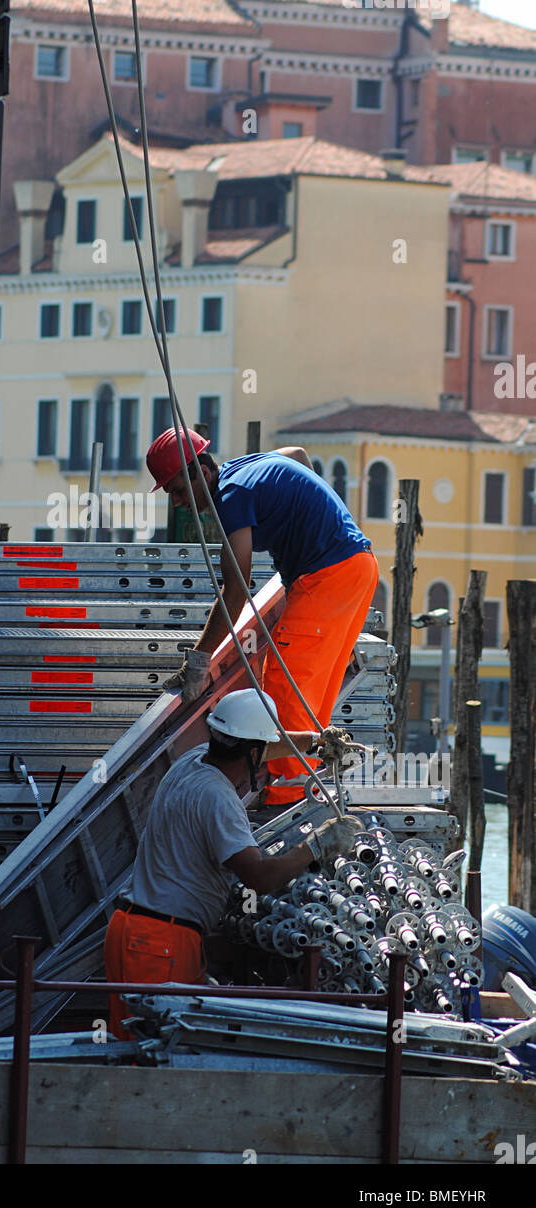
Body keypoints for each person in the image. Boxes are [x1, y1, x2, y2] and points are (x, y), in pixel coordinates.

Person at [104, 689, 363, 1039]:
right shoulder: (218, 796)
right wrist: (317, 845)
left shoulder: (194, 761)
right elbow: (258, 877)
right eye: (261, 754)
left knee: (128, 1049)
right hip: (161, 941)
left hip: (131, 930)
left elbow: (256, 746)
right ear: (251, 753)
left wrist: (315, 743)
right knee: (157, 1059)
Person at [146, 428, 379, 807]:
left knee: (284, 693)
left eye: (177, 490)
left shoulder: (232, 497)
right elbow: (300, 455)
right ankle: (308, 792)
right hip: (358, 568)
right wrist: (314, 521)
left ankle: (285, 802)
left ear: (201, 473)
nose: (176, 503)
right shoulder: (248, 466)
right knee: (310, 701)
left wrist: (199, 661)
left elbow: (236, 589)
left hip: (326, 577)